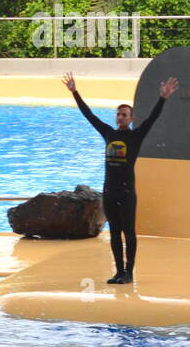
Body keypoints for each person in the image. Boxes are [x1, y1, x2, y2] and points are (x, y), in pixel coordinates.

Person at [62, 72, 179, 284]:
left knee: (129, 232)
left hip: (126, 193)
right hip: (110, 191)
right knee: (114, 233)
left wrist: (163, 97)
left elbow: (152, 118)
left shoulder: (136, 136)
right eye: (118, 114)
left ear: (131, 118)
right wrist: (74, 93)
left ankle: (129, 273)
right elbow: (89, 116)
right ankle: (118, 271)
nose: (121, 117)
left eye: (125, 115)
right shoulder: (108, 133)